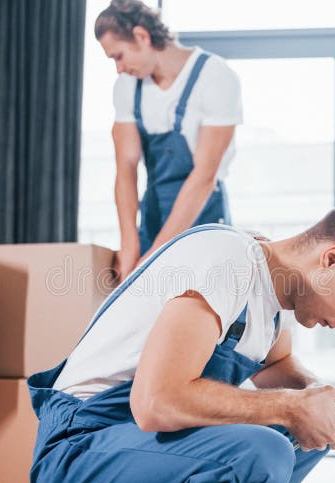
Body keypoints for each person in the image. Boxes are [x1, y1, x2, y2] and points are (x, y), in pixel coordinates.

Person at [27, 200, 335, 483]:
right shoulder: (227, 261)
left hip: (133, 449)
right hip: (79, 454)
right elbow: (156, 403)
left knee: (321, 419)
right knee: (267, 455)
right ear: (332, 258)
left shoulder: (271, 294)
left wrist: (318, 395)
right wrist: (293, 406)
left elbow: (279, 365)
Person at [95, 0, 243, 281]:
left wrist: (157, 254)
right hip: (155, 212)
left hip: (203, 215)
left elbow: (204, 177)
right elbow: (125, 168)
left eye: (119, 56)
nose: (118, 68)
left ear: (141, 36)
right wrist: (130, 244)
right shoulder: (127, 86)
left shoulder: (215, 77)